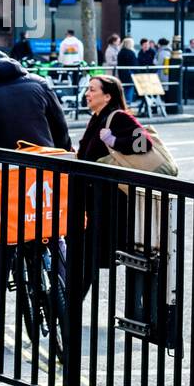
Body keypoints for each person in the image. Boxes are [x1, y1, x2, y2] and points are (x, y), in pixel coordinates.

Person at [0, 51, 71, 338]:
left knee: (2, 247)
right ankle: (67, 298)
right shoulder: (39, 84)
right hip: (46, 167)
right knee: (55, 234)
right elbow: (60, 128)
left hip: (6, 175)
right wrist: (64, 153)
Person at [77, 74, 154, 293]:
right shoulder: (97, 117)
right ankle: (68, 308)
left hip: (110, 203)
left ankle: (68, 309)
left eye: (92, 90)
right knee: (87, 257)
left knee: (89, 257)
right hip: (94, 199)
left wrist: (114, 141)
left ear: (108, 96)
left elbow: (144, 142)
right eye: (87, 89)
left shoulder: (118, 117)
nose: (87, 94)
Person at [115, 35, 137, 101]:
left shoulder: (120, 52)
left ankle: (124, 102)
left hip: (122, 73)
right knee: (130, 88)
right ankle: (128, 103)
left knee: (124, 88)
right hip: (130, 73)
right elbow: (134, 64)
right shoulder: (131, 53)